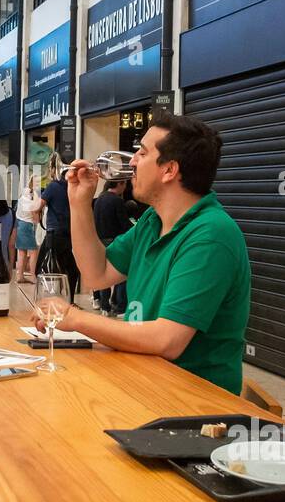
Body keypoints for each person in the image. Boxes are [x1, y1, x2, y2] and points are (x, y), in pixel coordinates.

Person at [33, 115, 251, 394]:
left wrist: (74, 317)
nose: (132, 161)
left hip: (194, 405)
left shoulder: (211, 235)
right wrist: (79, 203)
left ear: (169, 170)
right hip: (143, 382)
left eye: (143, 153)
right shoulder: (152, 221)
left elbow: (167, 340)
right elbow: (96, 273)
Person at [40, 154, 82, 297]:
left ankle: (52, 297)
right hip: (68, 233)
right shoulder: (70, 187)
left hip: (54, 233)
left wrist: (37, 215)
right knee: (70, 268)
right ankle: (68, 298)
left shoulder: (53, 186)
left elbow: (39, 205)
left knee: (46, 266)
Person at [92, 178, 133, 316]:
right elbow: (124, 224)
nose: (125, 188)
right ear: (120, 184)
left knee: (102, 272)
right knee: (121, 272)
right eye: (125, 184)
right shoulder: (116, 201)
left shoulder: (99, 199)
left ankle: (104, 305)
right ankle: (120, 306)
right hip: (113, 240)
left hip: (99, 239)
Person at [14, 172, 42, 282]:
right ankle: (33, 276)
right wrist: (38, 221)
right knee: (33, 251)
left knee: (22, 251)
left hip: (19, 223)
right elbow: (34, 212)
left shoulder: (25, 193)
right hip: (27, 224)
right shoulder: (33, 194)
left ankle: (20, 276)